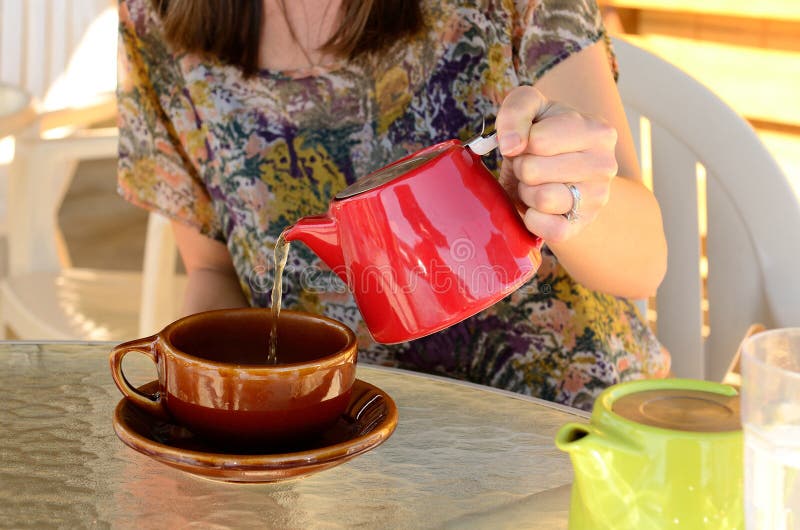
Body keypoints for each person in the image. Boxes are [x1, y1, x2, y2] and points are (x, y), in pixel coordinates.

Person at [117, 0, 670, 411]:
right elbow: (213, 269)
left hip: (560, 420)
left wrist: (567, 192)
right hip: (341, 439)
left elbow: (645, 263)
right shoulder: (155, 16)